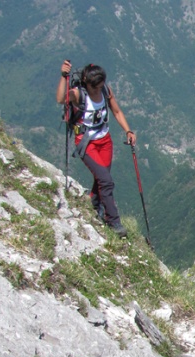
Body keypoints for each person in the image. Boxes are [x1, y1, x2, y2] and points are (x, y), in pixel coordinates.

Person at [56, 60, 136, 237]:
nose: (99, 90)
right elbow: (61, 98)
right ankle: (114, 222)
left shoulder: (105, 90)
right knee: (106, 181)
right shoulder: (79, 94)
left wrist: (128, 130)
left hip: (105, 141)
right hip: (86, 142)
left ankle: (93, 204)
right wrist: (63, 76)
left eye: (101, 86)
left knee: (101, 178)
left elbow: (116, 111)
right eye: (96, 88)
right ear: (87, 83)